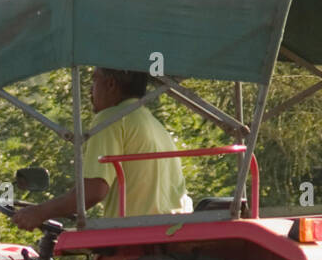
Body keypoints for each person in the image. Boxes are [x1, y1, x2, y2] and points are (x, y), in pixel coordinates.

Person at [12, 67, 191, 230]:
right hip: (172, 230)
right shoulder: (155, 125)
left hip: (133, 235)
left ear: (111, 84)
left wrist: (39, 212)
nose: (90, 90)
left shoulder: (111, 119)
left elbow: (92, 192)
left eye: (94, 80)